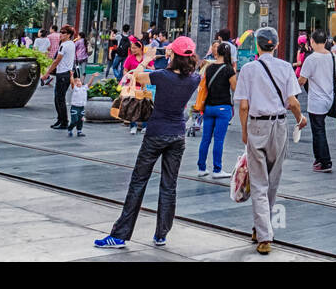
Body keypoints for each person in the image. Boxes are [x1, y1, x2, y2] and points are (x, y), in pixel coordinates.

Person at [94, 36, 201, 249]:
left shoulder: (162, 76)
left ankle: (120, 235)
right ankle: (161, 234)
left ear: (174, 55)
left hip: (156, 133)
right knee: (169, 185)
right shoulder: (194, 79)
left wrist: (147, 58)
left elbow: (131, 76)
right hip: (178, 135)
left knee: (138, 182)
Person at [234, 27, 306, 255]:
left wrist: (245, 131)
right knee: (272, 180)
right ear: (275, 45)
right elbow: (293, 102)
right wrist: (300, 119)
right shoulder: (286, 67)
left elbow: (243, 105)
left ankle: (263, 235)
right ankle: (261, 227)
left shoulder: (248, 69)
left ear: (257, 45)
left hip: (257, 124)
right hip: (280, 125)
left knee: (258, 181)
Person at [297, 31, 336, 173]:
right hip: (329, 98)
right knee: (319, 129)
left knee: (318, 131)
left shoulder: (311, 59)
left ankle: (325, 161)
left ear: (312, 42)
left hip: (316, 100)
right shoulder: (334, 57)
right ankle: (319, 159)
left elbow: (302, 80)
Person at [195, 41, 237, 178]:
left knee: (205, 139)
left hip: (208, 107)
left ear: (216, 52)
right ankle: (217, 169)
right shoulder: (229, 69)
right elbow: (235, 88)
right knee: (218, 140)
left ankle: (201, 168)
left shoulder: (209, 68)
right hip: (223, 108)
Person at [49, 26, 77, 129]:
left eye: (63, 32)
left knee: (60, 99)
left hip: (63, 74)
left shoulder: (64, 45)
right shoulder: (71, 44)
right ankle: (60, 119)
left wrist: (47, 73)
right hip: (65, 74)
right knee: (58, 98)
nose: (61, 34)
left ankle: (64, 121)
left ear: (69, 35)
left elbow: (57, 60)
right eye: (60, 32)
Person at [68, 72, 89, 137]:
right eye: (77, 82)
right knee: (75, 120)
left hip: (82, 107)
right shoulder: (75, 89)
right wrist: (71, 75)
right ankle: (70, 128)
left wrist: (93, 76)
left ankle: (79, 131)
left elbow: (89, 84)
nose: (79, 82)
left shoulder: (84, 88)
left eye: (79, 81)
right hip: (75, 107)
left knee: (80, 120)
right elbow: (72, 83)